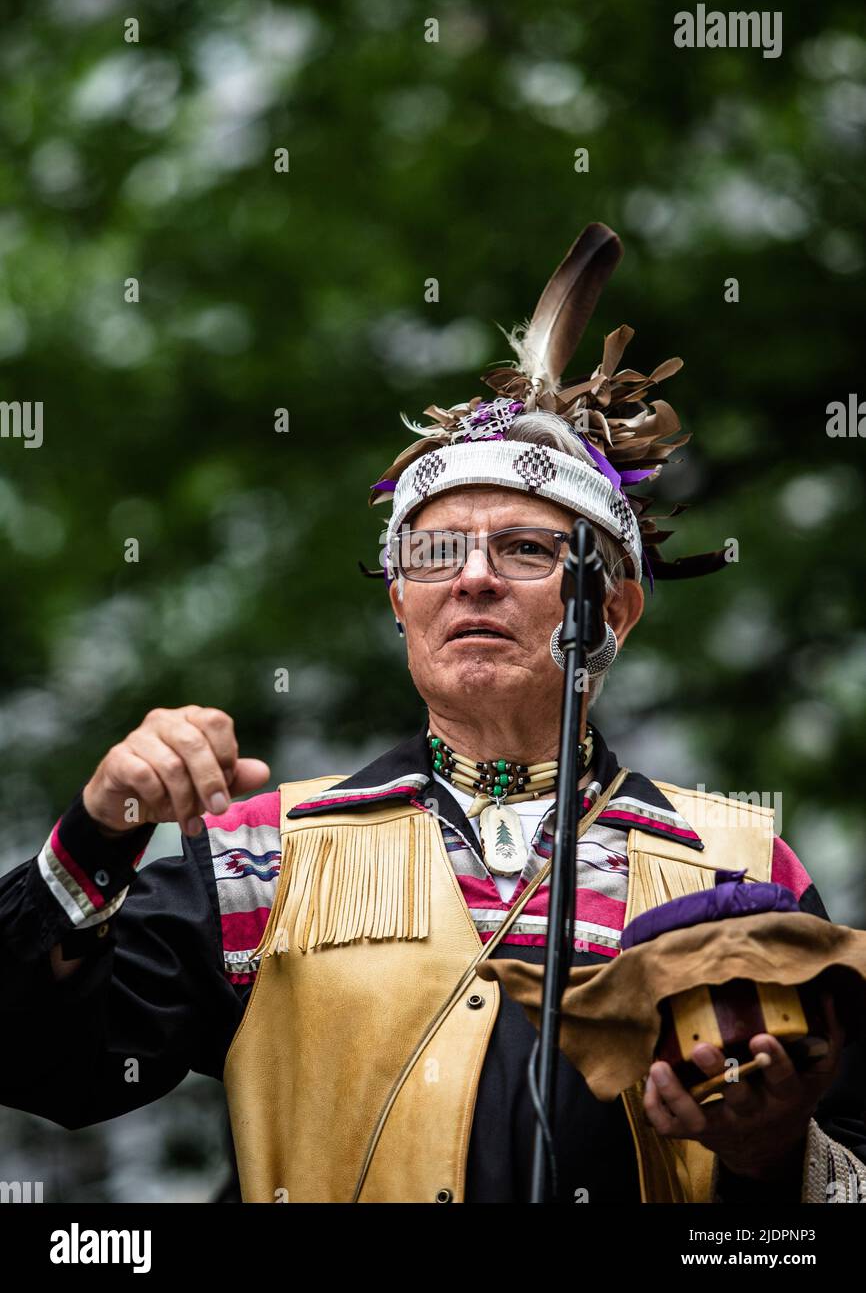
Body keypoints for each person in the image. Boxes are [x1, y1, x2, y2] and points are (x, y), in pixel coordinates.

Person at [1, 224, 864, 1204]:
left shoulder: (742, 869)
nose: (476, 581)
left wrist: (769, 1149)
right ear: (399, 603)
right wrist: (98, 834)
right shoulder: (262, 859)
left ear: (613, 608)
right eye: (437, 554)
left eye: (527, 551)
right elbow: (33, 1060)